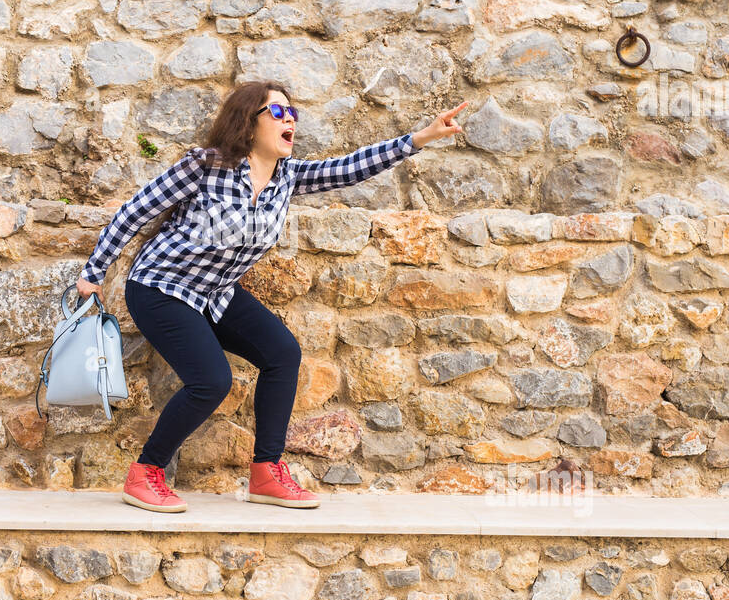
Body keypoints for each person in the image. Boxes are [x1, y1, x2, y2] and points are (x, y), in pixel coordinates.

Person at [76, 80, 469, 513]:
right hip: (161, 286)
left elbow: (350, 167)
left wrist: (420, 138)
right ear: (248, 122)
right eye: (277, 113)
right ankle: (145, 473)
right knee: (211, 381)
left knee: (282, 352)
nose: (289, 121)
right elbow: (136, 211)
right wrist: (93, 273)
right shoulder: (206, 166)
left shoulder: (288, 176)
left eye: (292, 113)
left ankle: (266, 472)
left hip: (215, 292)